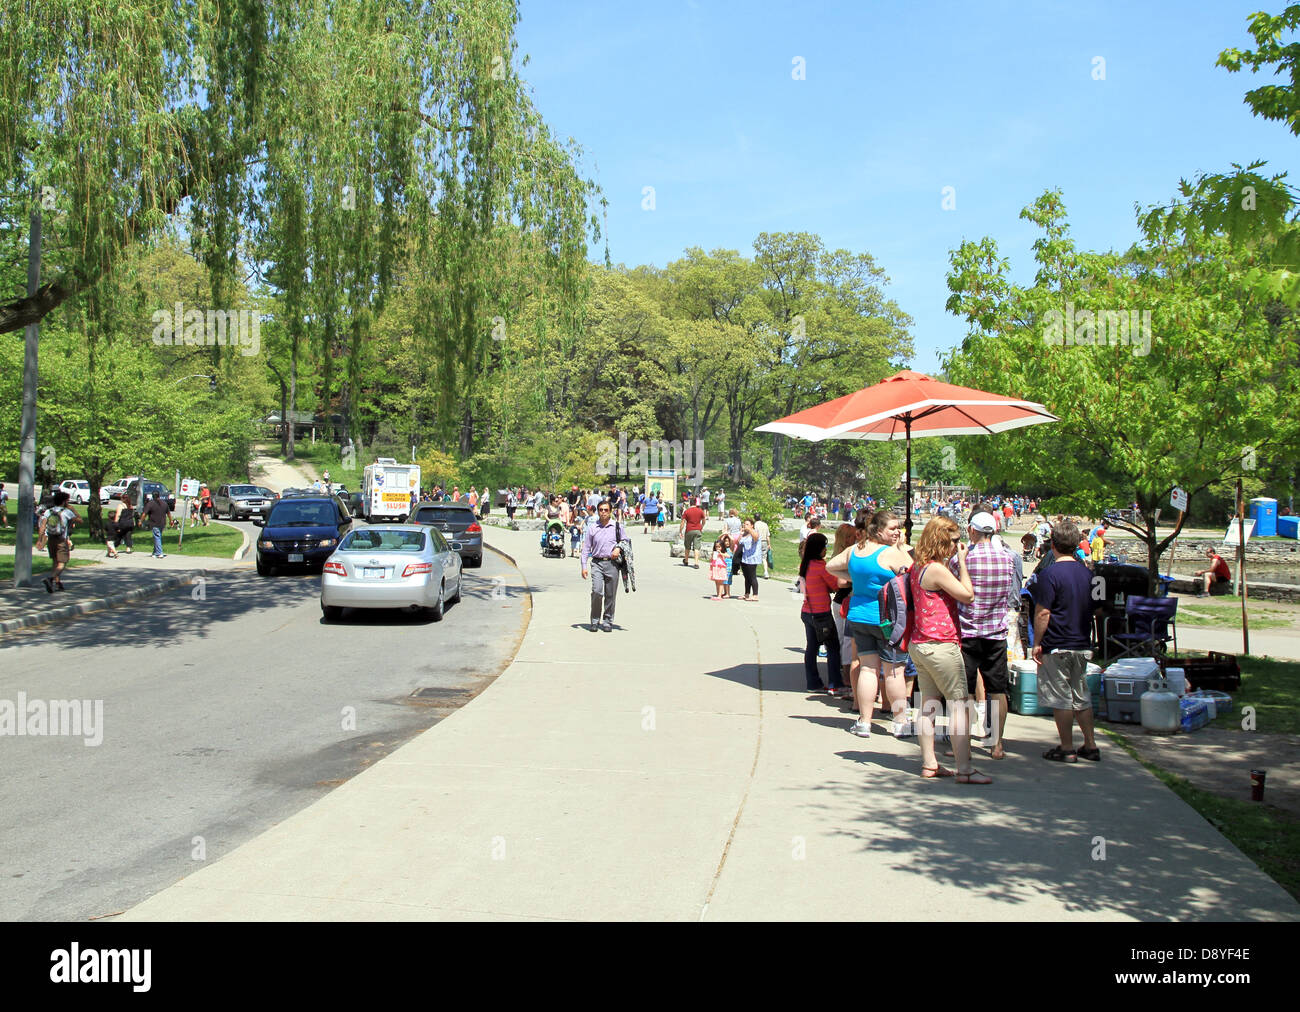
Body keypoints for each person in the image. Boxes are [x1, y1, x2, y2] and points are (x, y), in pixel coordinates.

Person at [906, 517, 988, 782]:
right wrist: (963, 562)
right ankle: (965, 769)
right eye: (953, 540)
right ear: (941, 539)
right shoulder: (936, 569)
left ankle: (930, 763)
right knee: (959, 707)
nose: (957, 545)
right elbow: (967, 594)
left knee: (928, 705)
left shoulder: (917, 566)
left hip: (920, 643)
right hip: (941, 644)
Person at [826, 509, 912, 738]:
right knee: (893, 671)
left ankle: (864, 721)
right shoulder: (891, 553)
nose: (897, 532)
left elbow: (831, 566)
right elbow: (915, 574)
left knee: (867, 668)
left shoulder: (855, 550)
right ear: (879, 530)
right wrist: (901, 548)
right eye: (893, 528)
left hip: (858, 615)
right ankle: (901, 721)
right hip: (887, 618)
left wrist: (857, 577)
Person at [1031, 521, 1102, 763]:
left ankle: (1067, 746)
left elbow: (1043, 612)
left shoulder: (1049, 574)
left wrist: (1037, 642)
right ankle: (1090, 745)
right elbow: (1098, 608)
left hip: (1057, 642)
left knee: (1061, 697)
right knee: (1080, 694)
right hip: (1082, 642)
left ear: (1053, 544)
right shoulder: (1090, 574)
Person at [954, 512, 1019, 760]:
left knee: (966, 690)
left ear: (972, 530)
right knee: (997, 689)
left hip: (968, 630)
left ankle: (965, 743)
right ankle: (996, 743)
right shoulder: (1008, 559)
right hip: (995, 631)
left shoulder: (964, 558)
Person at [799, 532, 847, 693]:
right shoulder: (821, 567)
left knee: (811, 647)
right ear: (818, 549)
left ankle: (812, 683)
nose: (826, 550)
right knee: (832, 648)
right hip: (821, 613)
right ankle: (835, 683)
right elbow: (836, 585)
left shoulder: (804, 565)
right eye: (824, 547)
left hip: (807, 611)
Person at [581, 500, 624, 632]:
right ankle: (594, 620)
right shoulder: (593, 528)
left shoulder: (617, 527)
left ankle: (607, 621)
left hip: (612, 564)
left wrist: (618, 548)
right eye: (601, 510)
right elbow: (586, 548)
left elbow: (625, 541)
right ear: (598, 511)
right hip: (597, 563)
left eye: (606, 510)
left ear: (610, 511)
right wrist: (583, 566)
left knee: (610, 594)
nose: (603, 512)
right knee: (597, 591)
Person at [38, 489, 77, 592]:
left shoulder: (48, 511)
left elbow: (42, 526)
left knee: (55, 561)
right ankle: (50, 579)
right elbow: (78, 520)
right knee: (62, 562)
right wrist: (71, 509)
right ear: (64, 501)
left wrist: (40, 540)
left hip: (51, 538)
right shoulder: (66, 512)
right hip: (61, 539)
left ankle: (57, 583)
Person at [735, 518, 762, 601]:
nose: (745, 525)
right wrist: (741, 532)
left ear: (752, 525)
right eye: (744, 524)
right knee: (746, 577)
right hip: (745, 557)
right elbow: (738, 542)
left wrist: (750, 530)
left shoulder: (754, 532)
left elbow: (756, 538)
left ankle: (755, 594)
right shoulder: (744, 534)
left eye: (747, 524)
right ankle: (746, 593)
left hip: (752, 558)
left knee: (752, 576)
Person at [679, 497, 707, 568]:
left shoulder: (687, 511)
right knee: (696, 547)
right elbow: (704, 521)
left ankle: (686, 560)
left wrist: (680, 531)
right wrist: (701, 527)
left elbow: (682, 522)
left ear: (690, 503)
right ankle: (696, 563)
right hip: (698, 530)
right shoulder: (700, 511)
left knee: (687, 546)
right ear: (695, 503)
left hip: (689, 530)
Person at [143, 491, 170, 558]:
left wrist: (141, 520)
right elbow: (169, 513)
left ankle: (159, 552)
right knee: (157, 537)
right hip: (162, 523)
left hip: (154, 523)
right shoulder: (164, 503)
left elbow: (144, 514)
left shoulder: (150, 504)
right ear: (159, 495)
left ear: (152, 496)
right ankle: (155, 552)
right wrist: (171, 520)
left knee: (157, 537)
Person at [753, 512, 771, 578]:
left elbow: (755, 534)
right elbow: (768, 536)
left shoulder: (755, 525)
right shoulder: (765, 524)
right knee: (764, 558)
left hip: (758, 541)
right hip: (764, 541)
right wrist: (769, 544)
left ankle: (753, 572)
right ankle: (766, 572)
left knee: (755, 556)